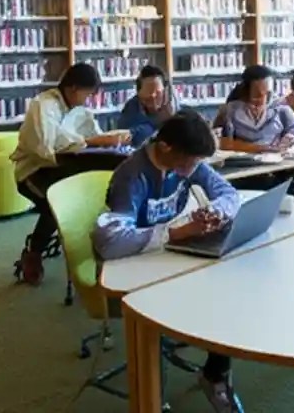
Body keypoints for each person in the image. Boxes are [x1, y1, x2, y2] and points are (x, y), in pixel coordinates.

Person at [91, 109, 244, 413]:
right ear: (165, 147)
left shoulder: (187, 159)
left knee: (227, 287)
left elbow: (228, 193)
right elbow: (109, 242)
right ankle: (153, 398)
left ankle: (214, 374)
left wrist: (218, 211)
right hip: (135, 266)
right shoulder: (131, 175)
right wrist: (176, 233)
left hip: (170, 256)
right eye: (190, 162)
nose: (193, 170)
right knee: (205, 296)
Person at [10, 63, 129, 284]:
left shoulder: (78, 110)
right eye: (88, 94)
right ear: (74, 88)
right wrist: (93, 141)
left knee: (101, 185)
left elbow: (91, 137)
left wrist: (108, 141)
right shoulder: (43, 105)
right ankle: (33, 253)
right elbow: (46, 147)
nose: (88, 100)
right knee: (55, 204)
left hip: (63, 168)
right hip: (34, 172)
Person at [220, 65, 294, 203]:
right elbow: (224, 144)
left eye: (267, 94)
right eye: (257, 96)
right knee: (278, 186)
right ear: (246, 93)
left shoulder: (280, 110)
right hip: (250, 169)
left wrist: (287, 142)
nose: (263, 100)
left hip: (280, 164)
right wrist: (262, 148)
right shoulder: (233, 111)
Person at [117, 64, 179, 146]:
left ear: (165, 91)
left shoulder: (173, 107)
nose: (153, 96)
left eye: (158, 92)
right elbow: (125, 138)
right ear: (138, 93)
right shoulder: (131, 107)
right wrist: (157, 122)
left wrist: (171, 119)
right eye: (148, 91)